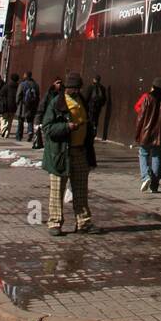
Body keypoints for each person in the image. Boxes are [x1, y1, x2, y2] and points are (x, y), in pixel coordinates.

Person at [41, 71, 96, 236]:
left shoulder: (81, 102)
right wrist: (67, 127)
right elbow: (47, 128)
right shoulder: (57, 103)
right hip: (60, 153)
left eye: (79, 88)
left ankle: (83, 222)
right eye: (75, 88)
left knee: (80, 189)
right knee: (57, 189)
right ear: (68, 87)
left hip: (79, 150)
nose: (77, 91)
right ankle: (55, 222)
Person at [134, 79, 161, 193]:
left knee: (143, 154)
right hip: (160, 134)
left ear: (153, 87)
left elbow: (140, 117)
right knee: (156, 157)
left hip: (146, 133)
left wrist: (137, 134)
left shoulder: (147, 98)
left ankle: (146, 177)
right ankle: (154, 185)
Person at [32, 76, 62, 149]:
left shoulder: (62, 94)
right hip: (49, 116)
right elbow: (42, 106)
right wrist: (38, 118)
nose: (59, 84)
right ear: (53, 83)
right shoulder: (49, 93)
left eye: (60, 83)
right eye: (57, 83)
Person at [15, 71, 40, 141]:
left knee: (21, 121)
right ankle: (30, 132)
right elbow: (38, 96)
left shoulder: (22, 84)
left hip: (23, 105)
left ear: (25, 76)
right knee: (30, 120)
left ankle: (19, 136)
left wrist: (17, 103)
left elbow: (18, 95)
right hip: (32, 105)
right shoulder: (36, 85)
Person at [0, 73, 19, 137]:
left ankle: (4, 129)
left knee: (4, 119)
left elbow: (1, 93)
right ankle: (7, 132)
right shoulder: (18, 86)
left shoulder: (7, 85)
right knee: (10, 120)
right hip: (14, 106)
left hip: (6, 105)